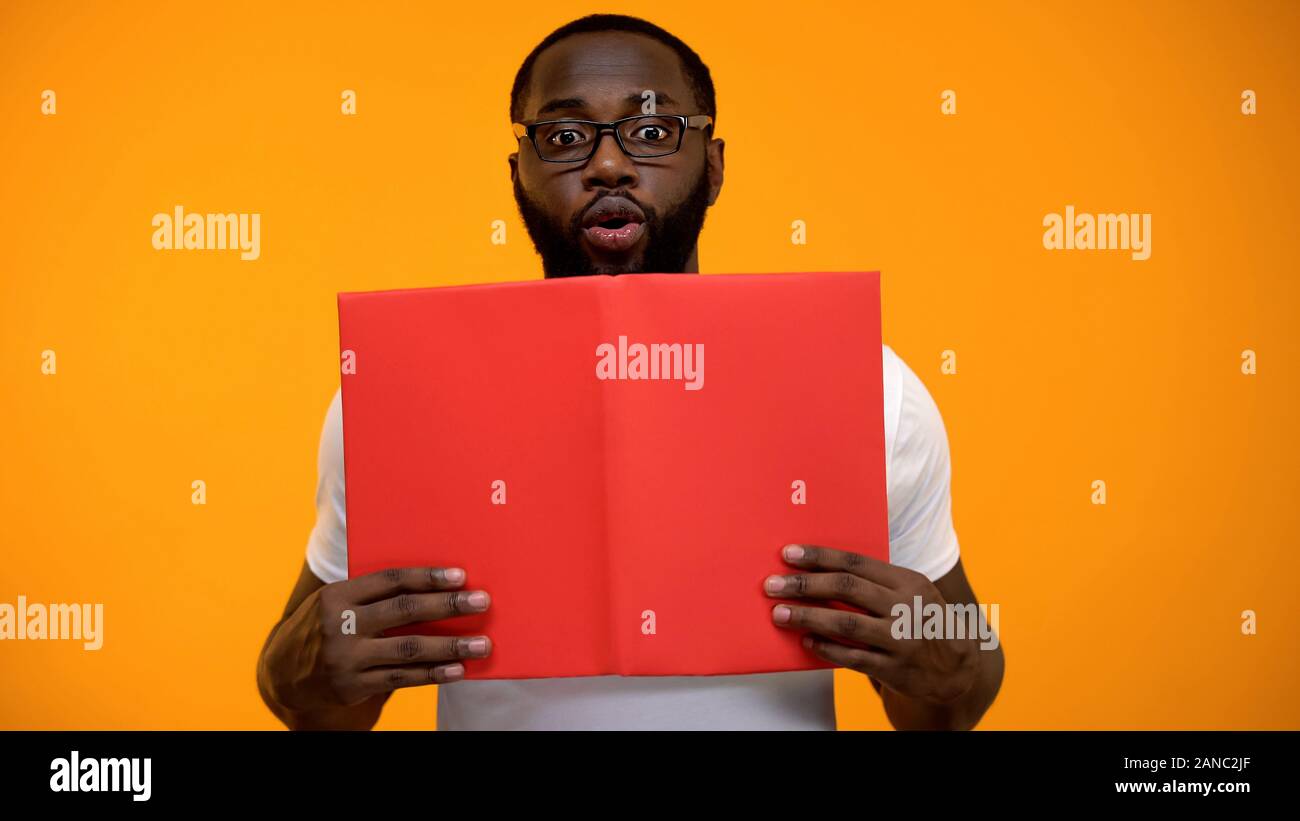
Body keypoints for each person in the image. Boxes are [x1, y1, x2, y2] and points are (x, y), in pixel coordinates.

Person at [256, 13, 1005, 730]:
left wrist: (947, 665)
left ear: (712, 167)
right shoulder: (397, 396)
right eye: (565, 135)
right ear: (519, 175)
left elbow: (952, 701)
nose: (608, 164)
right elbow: (317, 702)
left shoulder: (868, 386)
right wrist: (297, 677)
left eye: (652, 132)